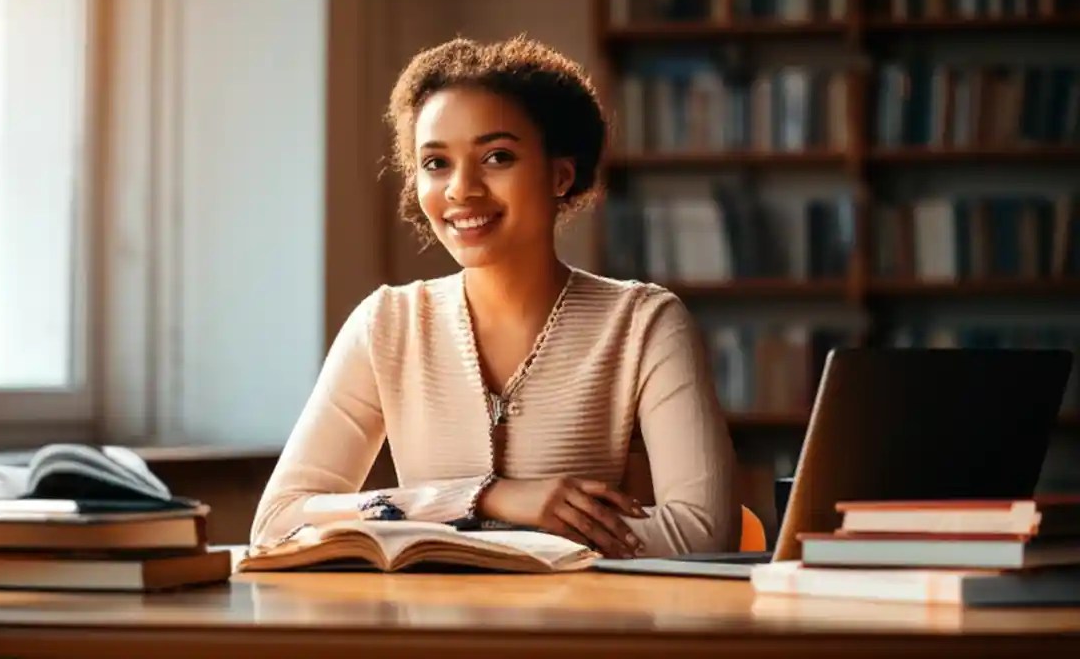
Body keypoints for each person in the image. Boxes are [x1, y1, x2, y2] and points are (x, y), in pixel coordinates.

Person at [251, 36, 738, 558]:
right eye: (436, 163)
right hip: (424, 634)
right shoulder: (387, 324)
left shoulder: (644, 323)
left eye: (497, 157)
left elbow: (703, 532)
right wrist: (486, 497)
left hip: (581, 631)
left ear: (560, 174)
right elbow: (278, 523)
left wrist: (443, 531)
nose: (461, 189)